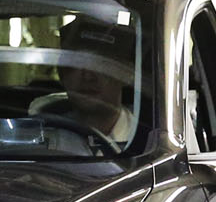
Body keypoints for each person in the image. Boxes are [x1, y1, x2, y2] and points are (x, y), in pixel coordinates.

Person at [30, 16, 138, 151]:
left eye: (101, 64)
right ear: (61, 72)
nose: (88, 76)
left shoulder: (149, 142)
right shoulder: (39, 139)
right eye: (77, 63)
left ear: (127, 74)